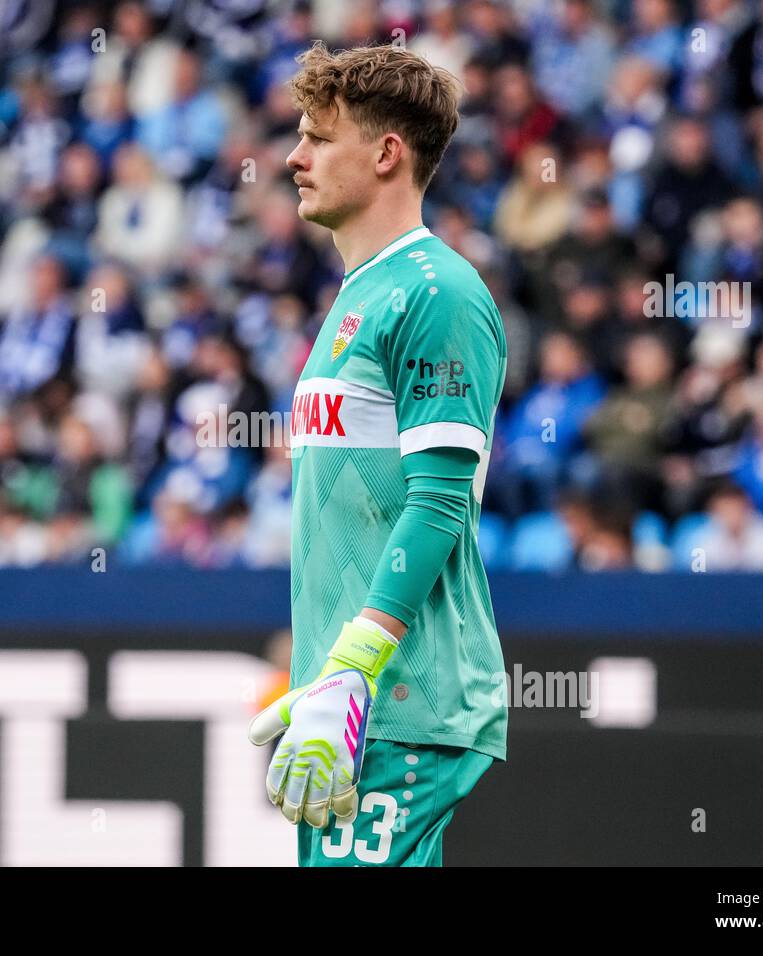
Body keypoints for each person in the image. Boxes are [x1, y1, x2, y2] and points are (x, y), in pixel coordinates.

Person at [248, 43, 507, 867]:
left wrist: (354, 668)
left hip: (400, 702)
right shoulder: (360, 293)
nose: (294, 157)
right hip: (354, 706)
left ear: (387, 152)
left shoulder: (436, 294)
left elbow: (440, 502)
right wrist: (326, 681)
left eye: (318, 138)